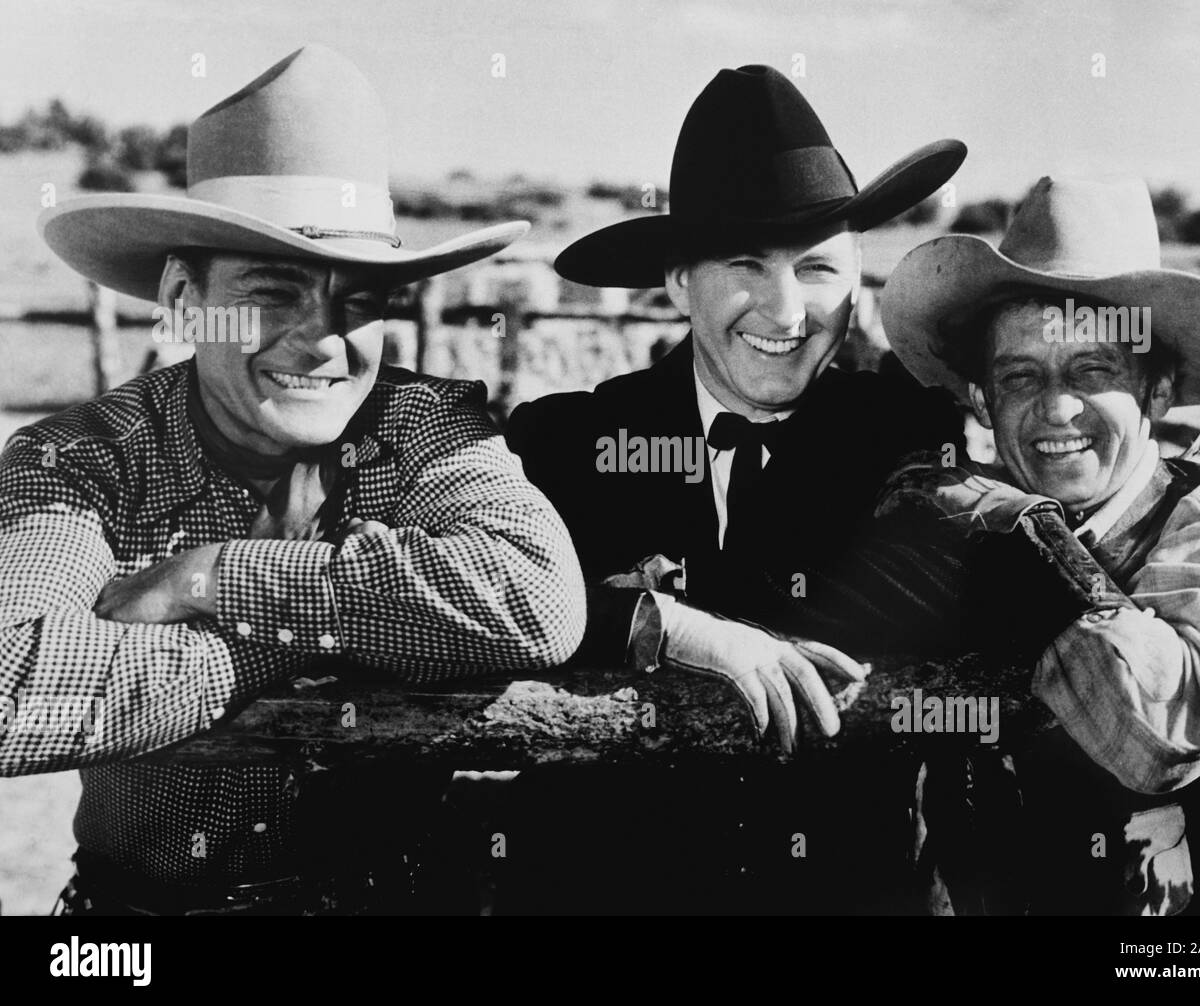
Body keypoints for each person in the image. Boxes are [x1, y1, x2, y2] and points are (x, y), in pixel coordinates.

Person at [1, 45, 586, 915]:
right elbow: (14, 689)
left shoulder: (424, 425)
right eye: (274, 292)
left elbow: (536, 602)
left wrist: (211, 578)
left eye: (359, 300)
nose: (323, 340)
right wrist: (330, 627)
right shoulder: (80, 460)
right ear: (183, 297)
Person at [500, 65, 970, 912]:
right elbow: (487, 593)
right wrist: (671, 626)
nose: (787, 311)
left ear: (858, 278)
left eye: (819, 269)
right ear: (681, 281)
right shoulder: (566, 442)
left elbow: (907, 596)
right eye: (747, 262)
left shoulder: (903, 435)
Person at [877, 175, 1200, 915]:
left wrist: (1028, 549)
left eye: (1093, 370)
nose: (1057, 407)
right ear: (982, 399)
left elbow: (1170, 730)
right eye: (1019, 375)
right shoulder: (953, 533)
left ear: (1157, 389)